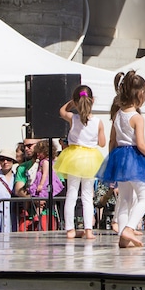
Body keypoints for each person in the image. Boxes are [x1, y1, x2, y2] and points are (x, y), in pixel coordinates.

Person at [98, 70, 145, 248]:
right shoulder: (137, 117)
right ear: (139, 94)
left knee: (124, 198)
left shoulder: (117, 115)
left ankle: (123, 236)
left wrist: (113, 160)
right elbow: (141, 144)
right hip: (134, 157)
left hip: (120, 157)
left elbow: (112, 140)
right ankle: (129, 228)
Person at [53, 84, 106, 240]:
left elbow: (62, 111)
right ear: (93, 101)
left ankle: (70, 229)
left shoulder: (73, 118)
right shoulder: (98, 121)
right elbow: (102, 143)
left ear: (76, 101)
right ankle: (88, 230)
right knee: (87, 195)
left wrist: (72, 102)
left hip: (74, 157)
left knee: (71, 193)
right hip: (90, 159)